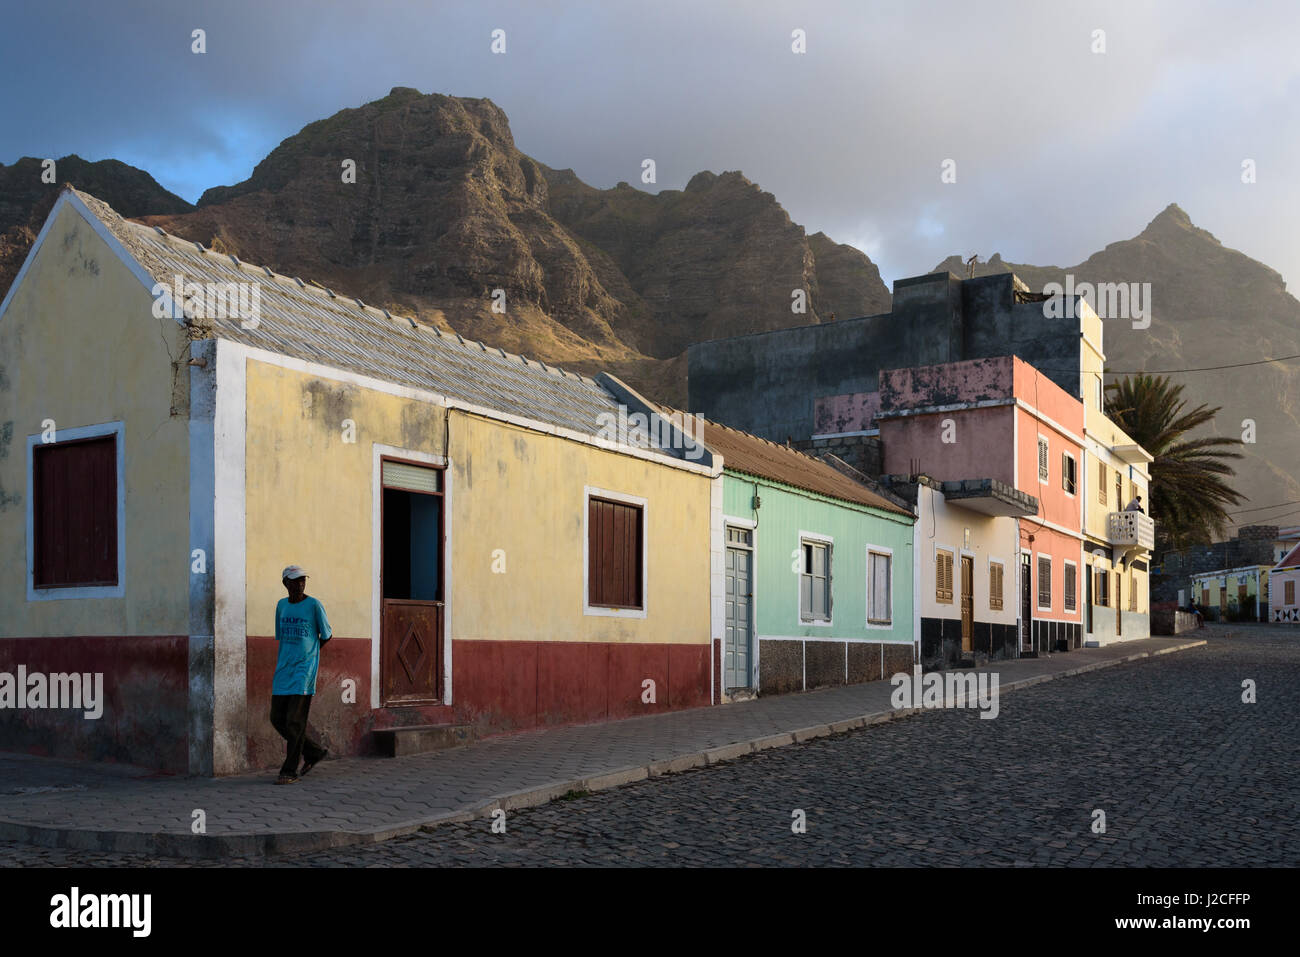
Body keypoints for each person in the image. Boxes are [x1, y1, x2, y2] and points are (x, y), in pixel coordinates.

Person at [270, 565, 331, 784]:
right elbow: (282, 637)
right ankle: (313, 752)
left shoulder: (314, 605)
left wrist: (310, 655)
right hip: (283, 670)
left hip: (304, 671)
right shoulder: (281, 606)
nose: (300, 584)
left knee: (294, 721)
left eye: (303, 580)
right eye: (295, 581)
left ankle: (289, 770)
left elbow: (326, 634)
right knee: (277, 718)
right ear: (285, 583)